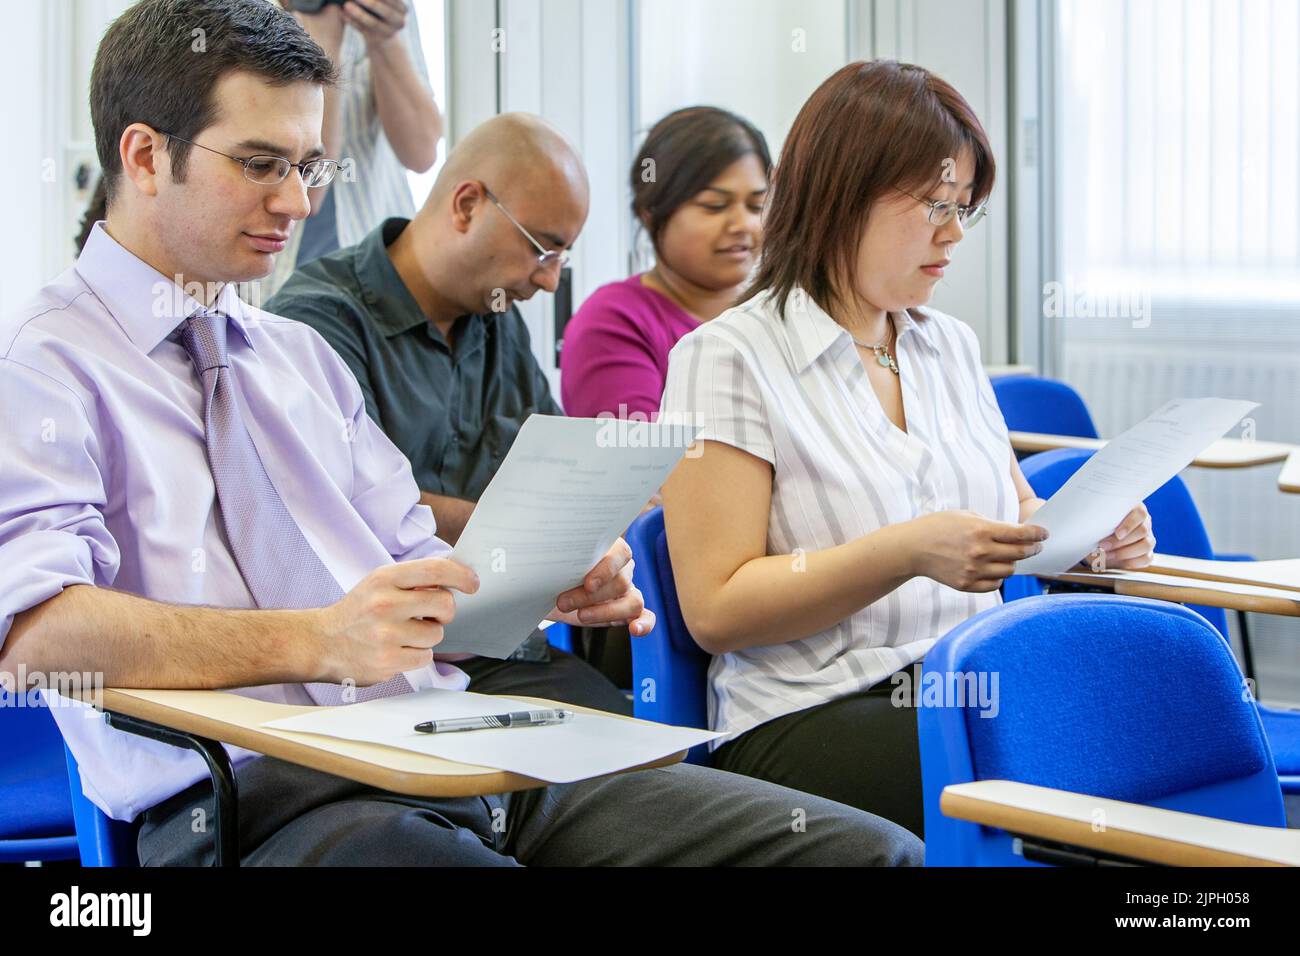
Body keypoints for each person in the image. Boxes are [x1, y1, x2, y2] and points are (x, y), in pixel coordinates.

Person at [0, 0, 922, 867]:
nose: (299, 204)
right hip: (263, 801)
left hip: (454, 746)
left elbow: (417, 572)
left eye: (309, 167)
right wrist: (315, 640)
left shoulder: (296, 359)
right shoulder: (45, 366)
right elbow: (37, 637)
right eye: (260, 164)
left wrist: (536, 583)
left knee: (867, 854)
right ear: (145, 156)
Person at [659, 60, 1156, 840]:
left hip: (968, 680)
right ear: (842, 195)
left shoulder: (947, 344)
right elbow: (716, 610)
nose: (953, 234)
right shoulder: (728, 357)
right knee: (1073, 769)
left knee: (1158, 719)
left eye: (963, 209)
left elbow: (1019, 514)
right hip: (814, 710)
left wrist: (1089, 540)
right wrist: (905, 552)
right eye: (934, 206)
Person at [267, 112, 624, 711]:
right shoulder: (317, 324)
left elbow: (561, 474)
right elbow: (344, 505)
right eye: (544, 248)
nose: (550, 280)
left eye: (564, 256)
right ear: (467, 205)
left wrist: (602, 527)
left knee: (614, 731)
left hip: (498, 645)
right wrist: (522, 529)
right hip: (374, 661)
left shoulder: (497, 322)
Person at [561, 107, 770, 420]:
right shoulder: (615, 321)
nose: (744, 224)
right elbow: (636, 448)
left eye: (756, 205)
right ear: (652, 212)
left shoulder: (783, 311)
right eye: (714, 206)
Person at [265, 0, 443, 292]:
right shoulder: (242, 14)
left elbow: (421, 153)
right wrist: (323, 44)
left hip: (377, 258)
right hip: (276, 275)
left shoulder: (381, 7)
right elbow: (310, 187)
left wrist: (384, 40)